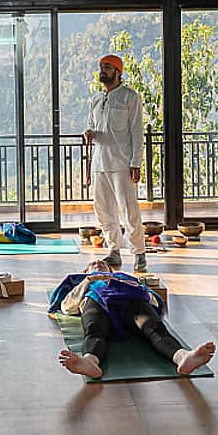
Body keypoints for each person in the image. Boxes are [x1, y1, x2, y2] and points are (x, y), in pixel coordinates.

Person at [50, 259, 215, 379]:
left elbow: (154, 301)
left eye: (103, 263)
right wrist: (89, 280)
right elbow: (67, 307)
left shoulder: (124, 277)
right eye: (93, 263)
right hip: (96, 302)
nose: (98, 262)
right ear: (86, 271)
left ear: (110, 269)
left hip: (130, 302)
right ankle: (89, 361)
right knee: (94, 330)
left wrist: (134, 288)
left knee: (154, 327)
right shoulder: (83, 283)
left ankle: (182, 357)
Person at [84, 54, 147, 272]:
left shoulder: (130, 97)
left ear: (118, 72)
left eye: (108, 67)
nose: (103, 71)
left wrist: (136, 162)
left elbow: (137, 132)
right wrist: (90, 133)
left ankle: (139, 252)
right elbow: (92, 126)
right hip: (100, 162)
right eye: (101, 67)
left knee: (129, 209)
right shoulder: (95, 99)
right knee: (103, 209)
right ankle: (114, 250)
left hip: (122, 163)